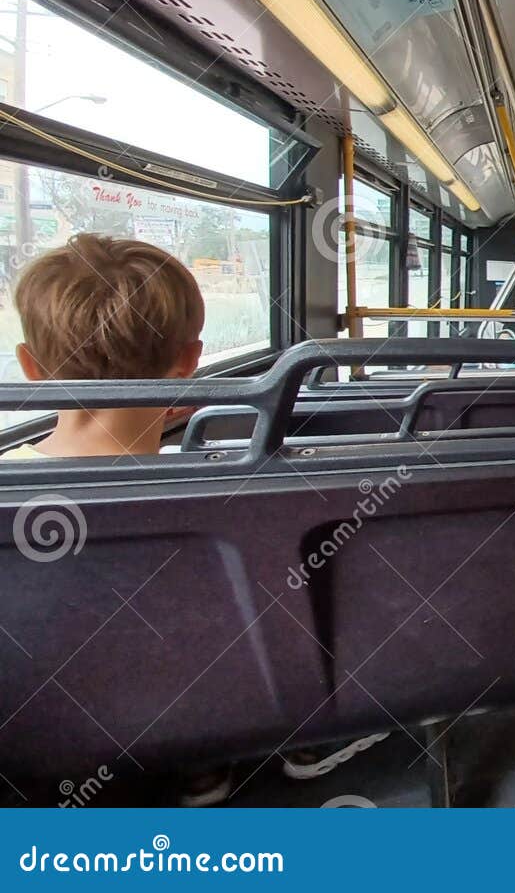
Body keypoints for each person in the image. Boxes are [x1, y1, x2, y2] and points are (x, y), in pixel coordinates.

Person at [5, 233, 389, 803]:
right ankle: (216, 758)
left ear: (31, 367)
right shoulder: (223, 494)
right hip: (208, 700)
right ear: (189, 363)